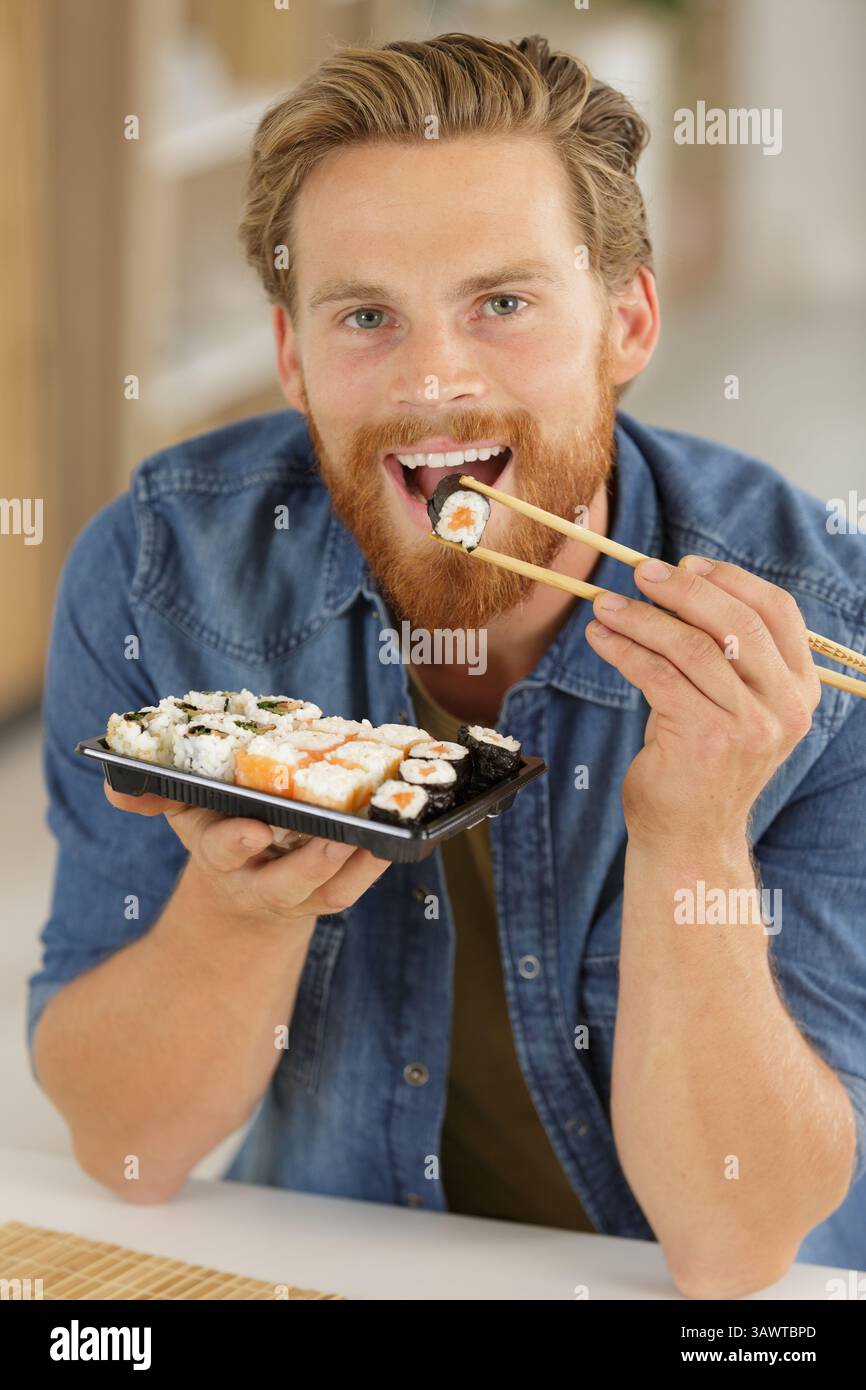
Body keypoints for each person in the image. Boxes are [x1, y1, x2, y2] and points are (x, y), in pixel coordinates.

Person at [28, 33, 866, 1298]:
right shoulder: (164, 574)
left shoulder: (815, 627)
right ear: (294, 356)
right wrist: (239, 910)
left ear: (624, 319)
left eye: (503, 303)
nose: (432, 381)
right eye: (366, 316)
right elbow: (128, 1149)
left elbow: (735, 1245)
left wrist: (692, 832)